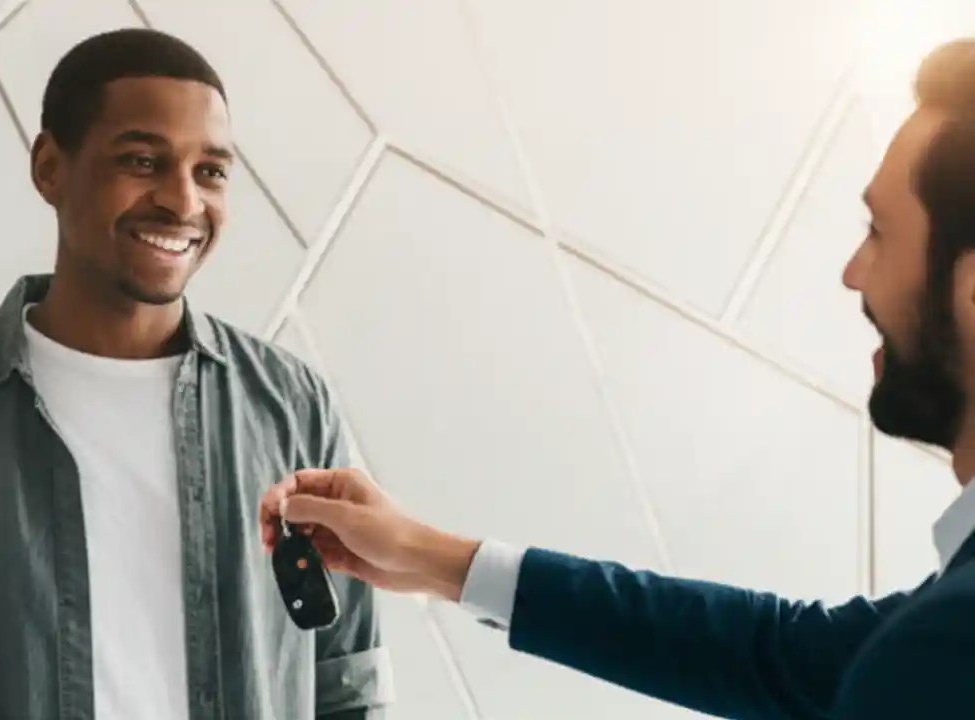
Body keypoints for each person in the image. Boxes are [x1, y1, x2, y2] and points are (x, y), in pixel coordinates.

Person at [260, 39, 975, 720]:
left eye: (879, 230)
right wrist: (427, 556)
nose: (853, 271)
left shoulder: (938, 651)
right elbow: (785, 654)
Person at [0, 28, 391, 720]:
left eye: (210, 171)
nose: (182, 202)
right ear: (50, 167)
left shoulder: (291, 404)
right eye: (143, 161)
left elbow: (346, 676)